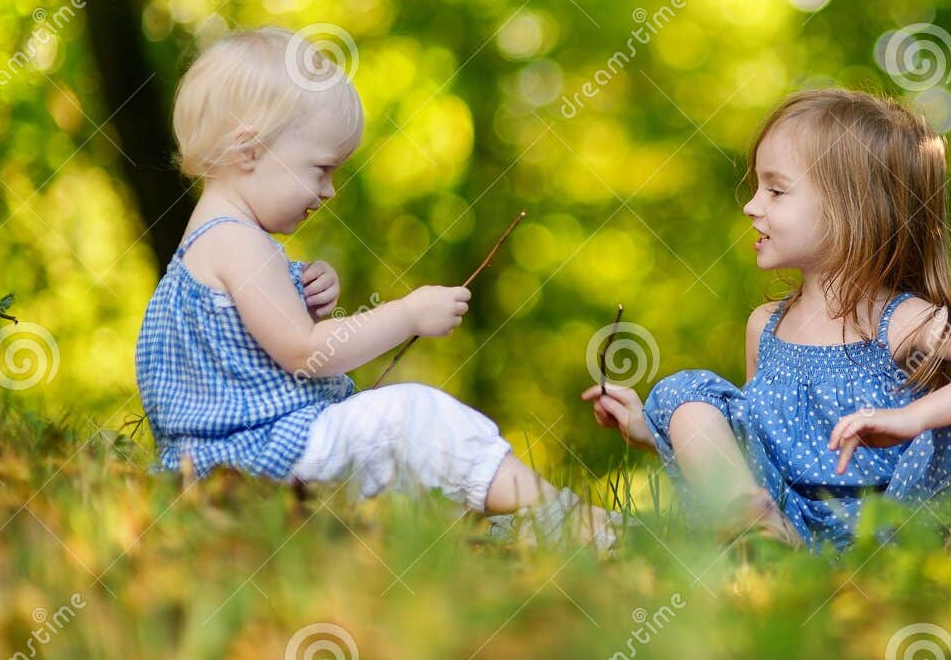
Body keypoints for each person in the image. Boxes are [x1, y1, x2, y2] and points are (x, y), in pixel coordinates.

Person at [135, 27, 620, 549]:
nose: (328, 191)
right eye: (321, 169)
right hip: (261, 458)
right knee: (414, 418)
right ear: (249, 150)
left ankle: (512, 525)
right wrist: (407, 315)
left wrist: (305, 299)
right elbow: (307, 354)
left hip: (227, 464)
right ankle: (565, 518)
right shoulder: (239, 243)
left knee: (401, 455)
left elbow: (250, 363)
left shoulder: (207, 247)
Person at [582, 86, 951, 560]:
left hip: (895, 530)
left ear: (851, 208)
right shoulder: (765, 327)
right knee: (684, 393)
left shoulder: (900, 320)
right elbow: (754, 443)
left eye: (775, 190)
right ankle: (757, 538)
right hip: (791, 529)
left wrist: (912, 418)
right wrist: (649, 430)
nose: (751, 205)